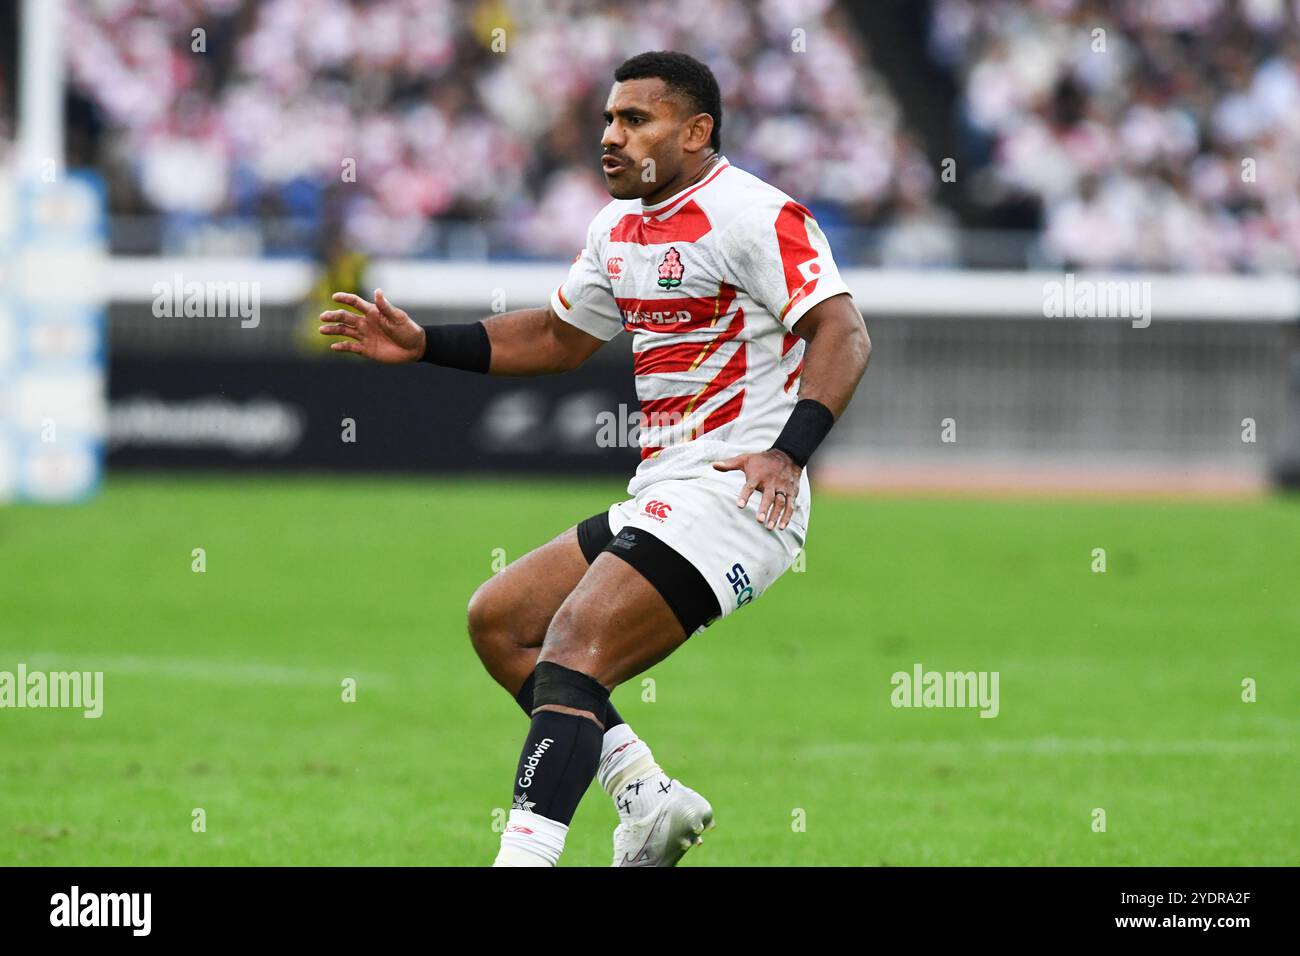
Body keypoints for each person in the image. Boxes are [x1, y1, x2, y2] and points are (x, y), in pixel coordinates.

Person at [318, 51, 872, 866]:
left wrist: (788, 456)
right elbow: (556, 337)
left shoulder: (756, 214)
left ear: (696, 131)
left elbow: (844, 332)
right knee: (502, 624)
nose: (610, 136)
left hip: (738, 494)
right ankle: (648, 799)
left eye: (635, 120)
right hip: (665, 488)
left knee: (574, 645)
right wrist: (425, 342)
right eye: (609, 119)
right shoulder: (616, 228)